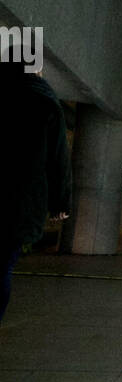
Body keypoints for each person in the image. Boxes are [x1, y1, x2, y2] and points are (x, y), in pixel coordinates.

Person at [0, 56, 72, 323]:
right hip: (20, 202)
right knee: (4, 266)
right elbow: (58, 160)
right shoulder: (44, 102)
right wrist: (60, 202)